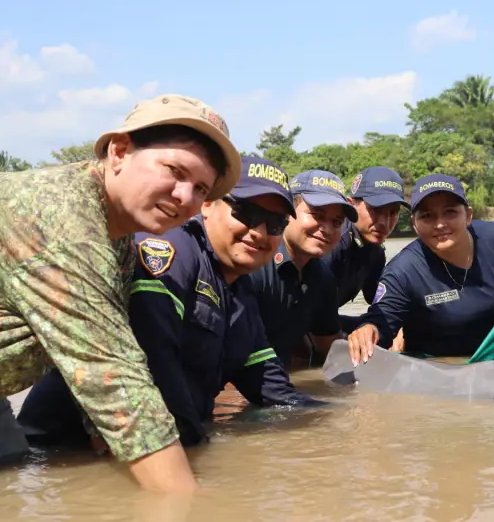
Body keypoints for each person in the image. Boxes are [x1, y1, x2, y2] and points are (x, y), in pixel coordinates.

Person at [0, 93, 242, 492]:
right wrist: (192, 506)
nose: (186, 198)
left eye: (201, 188)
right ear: (120, 151)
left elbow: (95, 366)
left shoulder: (120, 243)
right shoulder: (60, 217)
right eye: (174, 171)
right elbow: (112, 374)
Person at [17, 156, 326, 449]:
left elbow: (273, 388)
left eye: (274, 224)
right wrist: (195, 448)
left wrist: (339, 413)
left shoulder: (242, 299)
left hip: (167, 440)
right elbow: (154, 357)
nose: (259, 233)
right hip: (65, 451)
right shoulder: (173, 250)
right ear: (207, 206)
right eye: (246, 213)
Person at [347, 174, 494, 365]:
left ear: (468, 215)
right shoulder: (403, 271)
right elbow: (381, 322)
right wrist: (368, 330)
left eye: (450, 212)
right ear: (414, 225)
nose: (440, 224)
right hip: (441, 368)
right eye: (427, 216)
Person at [249, 169, 359, 369]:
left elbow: (331, 351)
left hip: (276, 381)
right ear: (287, 212)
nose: (326, 229)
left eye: (336, 222)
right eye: (317, 215)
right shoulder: (254, 262)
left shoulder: (322, 277)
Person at [322, 166, 409, 333]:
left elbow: (378, 303)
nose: (384, 222)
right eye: (376, 210)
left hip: (325, 322)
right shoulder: (331, 245)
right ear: (351, 205)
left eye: (393, 212)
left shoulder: (375, 252)